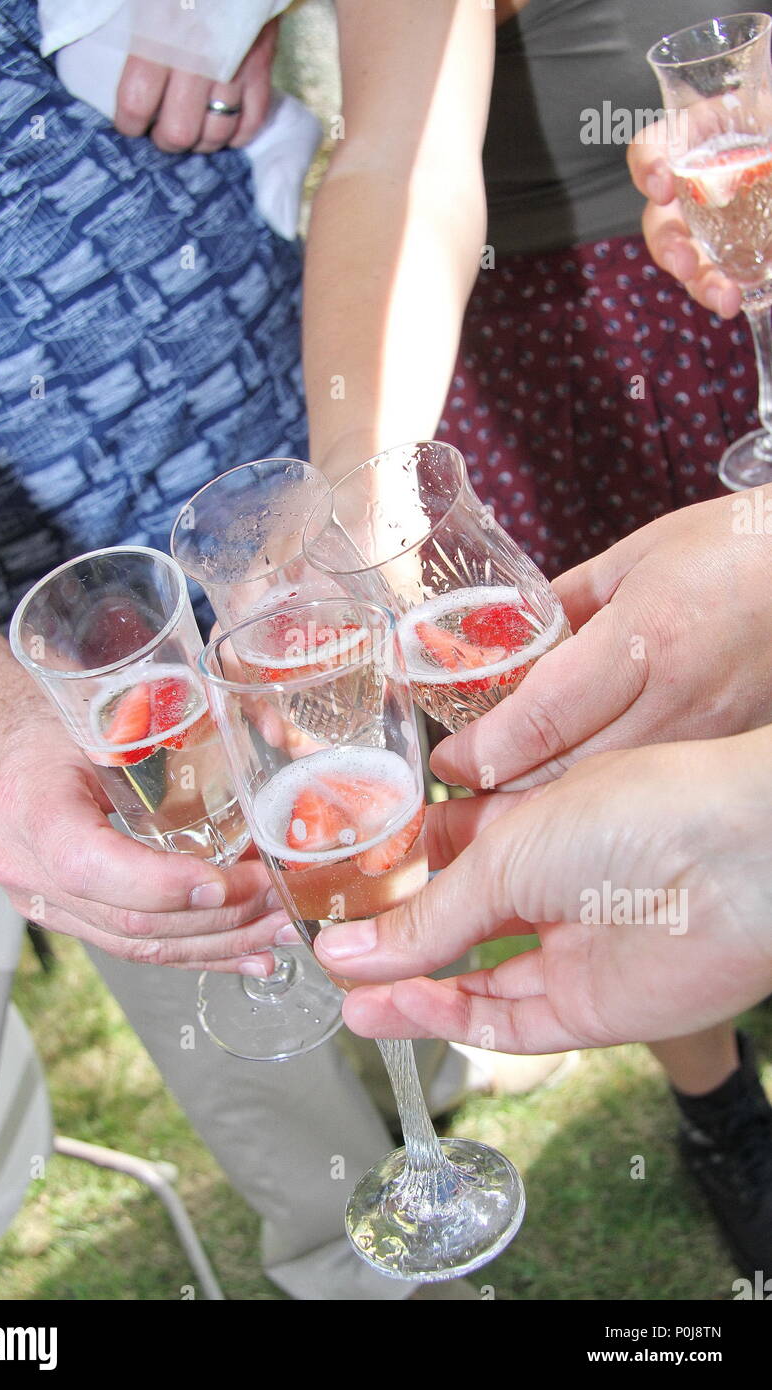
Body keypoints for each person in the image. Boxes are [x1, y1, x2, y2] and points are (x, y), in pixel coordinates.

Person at [0, 0, 487, 1301]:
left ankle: (432, 1089)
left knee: (376, 862)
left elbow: (399, 122)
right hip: (26, 639)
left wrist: (353, 484)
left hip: (272, 442)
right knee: (211, 963)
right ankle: (355, 1256)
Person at [298, 0, 772, 1277]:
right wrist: (366, 492)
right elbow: (396, 162)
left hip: (732, 279)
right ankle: (720, 1105)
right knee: (598, 747)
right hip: (561, 319)